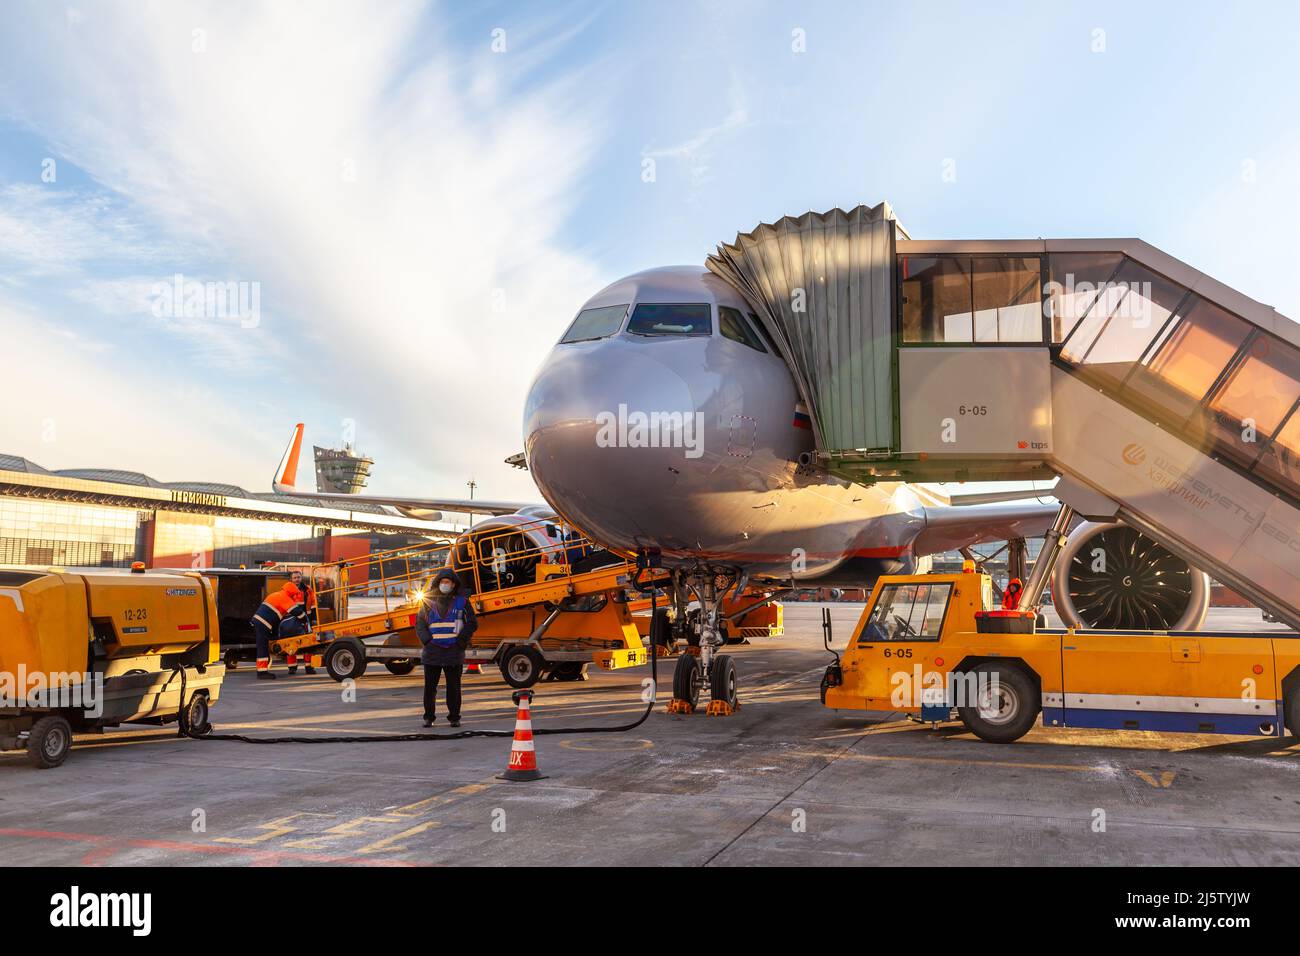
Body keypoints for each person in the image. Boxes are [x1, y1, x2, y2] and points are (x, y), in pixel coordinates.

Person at [415, 569, 477, 727]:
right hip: (432, 651)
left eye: (447, 582)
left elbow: (472, 623)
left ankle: (454, 718)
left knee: (454, 688)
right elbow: (420, 623)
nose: (444, 584)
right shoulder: (428, 602)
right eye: (442, 582)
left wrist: (461, 641)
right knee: (430, 688)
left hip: (453, 651)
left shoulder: (462, 602)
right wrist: (427, 641)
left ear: (453, 584)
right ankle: (429, 718)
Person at [250, 581, 310, 680]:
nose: (294, 597)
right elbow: (296, 611)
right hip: (262, 624)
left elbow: (276, 618)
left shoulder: (277, 594)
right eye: (294, 595)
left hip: (261, 623)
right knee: (262, 648)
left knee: (263, 647)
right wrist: (304, 619)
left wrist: (275, 634)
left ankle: (263, 670)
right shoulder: (284, 597)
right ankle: (262, 673)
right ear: (291, 593)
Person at [285, 570, 317, 675]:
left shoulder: (308, 589)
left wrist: (314, 619)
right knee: (290, 643)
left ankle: (309, 667)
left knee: (308, 643)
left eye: (298, 577)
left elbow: (313, 604)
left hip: (306, 619)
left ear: (301, 578)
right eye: (294, 578)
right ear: (291, 579)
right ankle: (292, 667)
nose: (297, 579)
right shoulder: (287, 590)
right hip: (291, 619)